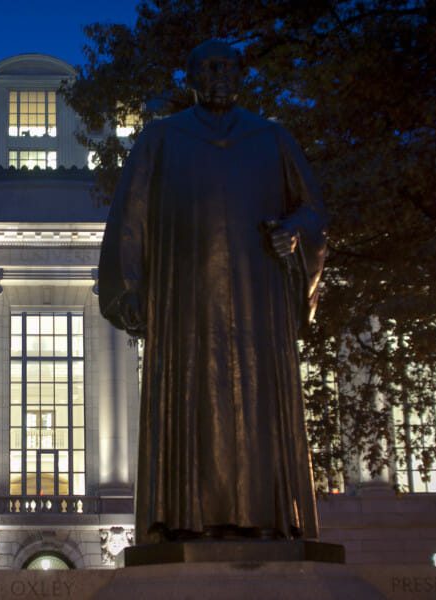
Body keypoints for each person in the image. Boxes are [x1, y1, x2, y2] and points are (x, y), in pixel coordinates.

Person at [98, 39, 328, 543]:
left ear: (241, 75)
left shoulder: (271, 139)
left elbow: (313, 212)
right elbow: (129, 218)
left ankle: (268, 517)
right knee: (193, 398)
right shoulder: (162, 139)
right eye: (210, 67)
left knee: (256, 400)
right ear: (193, 77)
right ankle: (185, 519)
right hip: (185, 304)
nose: (221, 75)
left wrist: (295, 230)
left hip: (256, 300)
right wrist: (131, 286)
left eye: (229, 67)